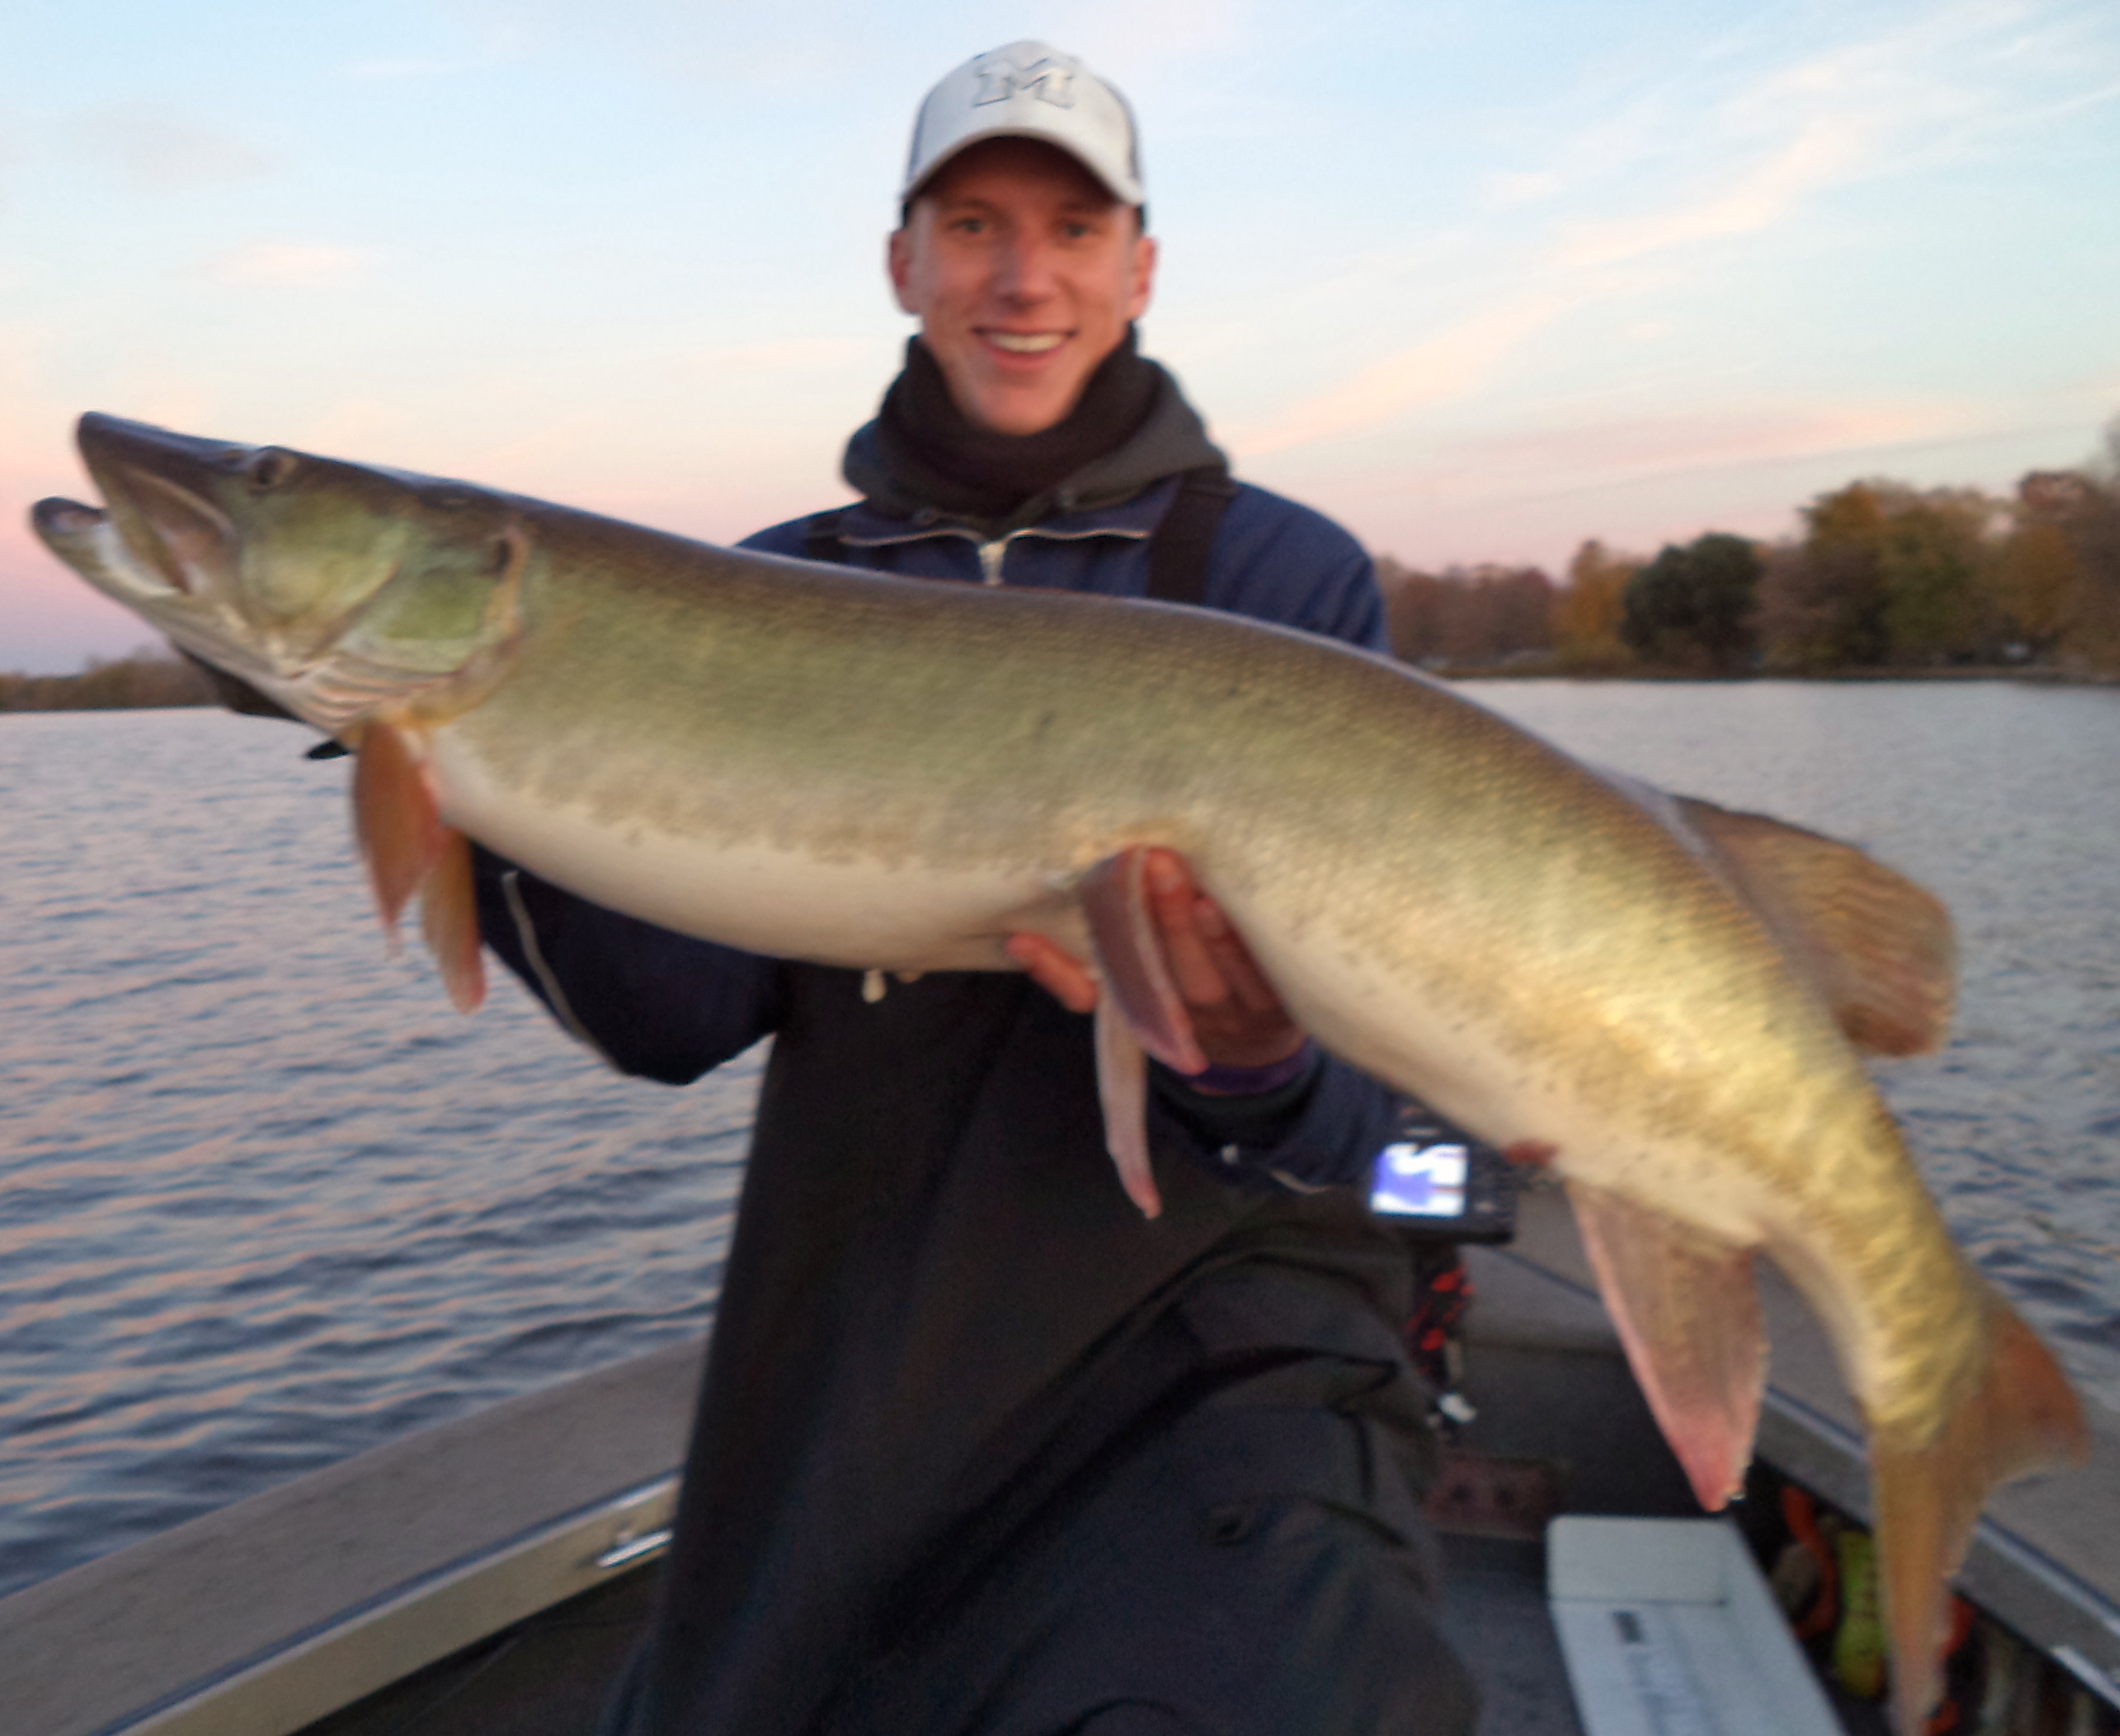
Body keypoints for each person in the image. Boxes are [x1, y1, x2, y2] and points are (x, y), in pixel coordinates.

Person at [472, 41, 1477, 1736]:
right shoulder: (774, 590)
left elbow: (1390, 1146)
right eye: (973, 224)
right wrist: (465, 762)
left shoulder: (1276, 579)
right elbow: (672, 1016)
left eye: (1074, 228)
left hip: (1218, 1356)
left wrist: (1247, 1060)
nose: (1024, 277)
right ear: (904, 263)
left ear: (1139, 268)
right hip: (873, 1358)